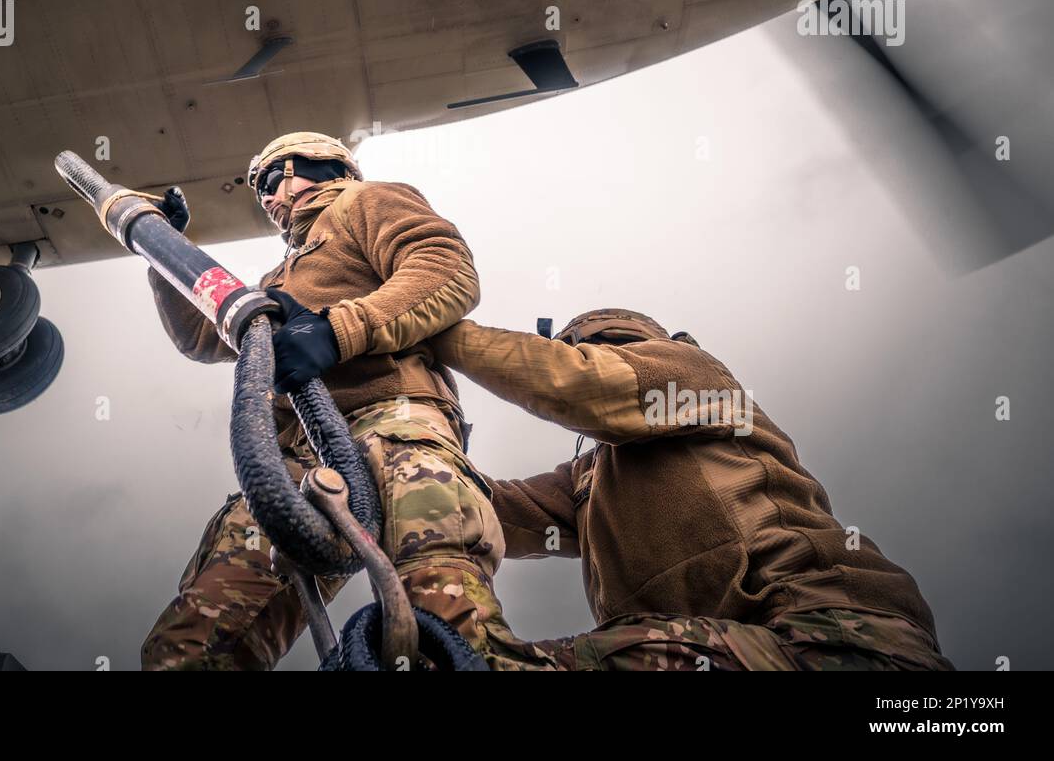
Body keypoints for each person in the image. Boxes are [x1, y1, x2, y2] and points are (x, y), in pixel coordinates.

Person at [140, 132, 550, 670]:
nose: (265, 200)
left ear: (308, 166)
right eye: (258, 190)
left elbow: (444, 269)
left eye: (268, 181)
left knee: (442, 616)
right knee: (195, 640)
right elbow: (200, 336)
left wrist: (337, 332)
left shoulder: (365, 201)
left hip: (394, 425)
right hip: (295, 463)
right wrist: (161, 251)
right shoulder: (276, 277)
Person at [429, 309, 954, 670]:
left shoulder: (694, 376)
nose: (590, 355)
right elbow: (485, 508)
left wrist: (425, 327)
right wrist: (401, 458)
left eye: (605, 346)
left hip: (830, 633)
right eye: (578, 347)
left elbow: (575, 383)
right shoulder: (589, 479)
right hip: (731, 648)